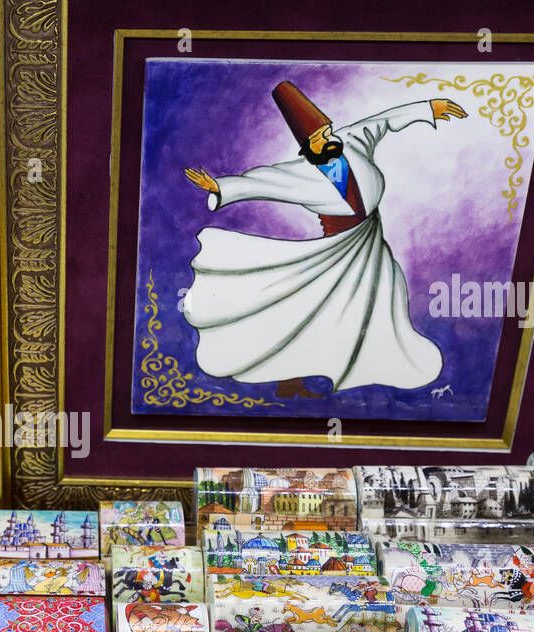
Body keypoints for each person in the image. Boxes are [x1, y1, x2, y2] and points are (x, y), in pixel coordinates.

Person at [182, 81, 464, 399]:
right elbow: (260, 182)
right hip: (336, 253)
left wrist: (427, 110)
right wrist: (220, 187)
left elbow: (382, 122)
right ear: (307, 145)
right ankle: (291, 380)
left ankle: (368, 362)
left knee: (384, 296)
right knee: (315, 307)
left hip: (369, 245)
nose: (329, 139)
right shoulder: (297, 174)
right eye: (319, 138)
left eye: (328, 131)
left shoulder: (352, 142)